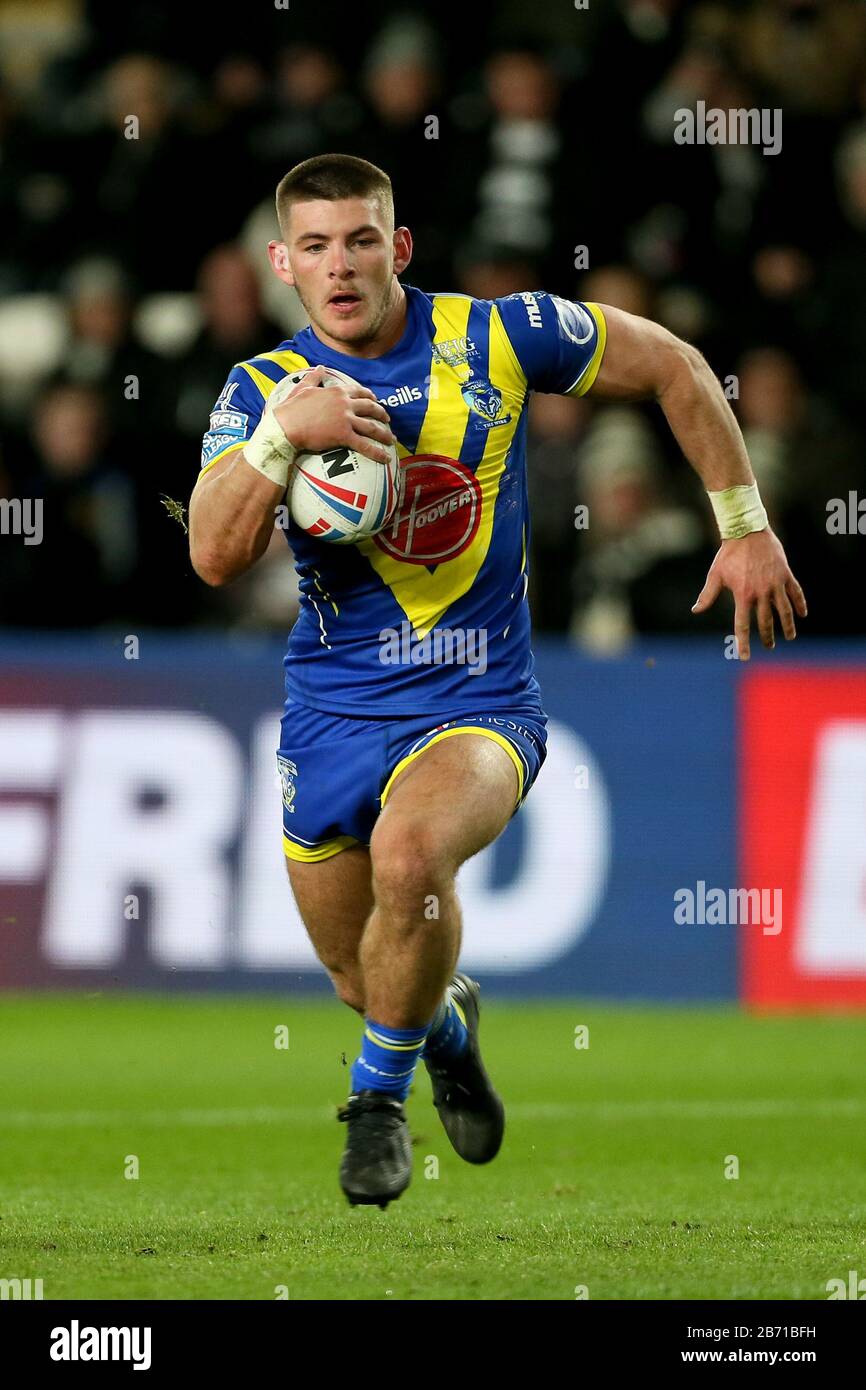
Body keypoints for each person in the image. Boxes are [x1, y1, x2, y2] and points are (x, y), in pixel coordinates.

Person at [188, 153, 806, 1209]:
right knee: (360, 975)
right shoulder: (258, 391)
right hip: (329, 713)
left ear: (401, 245)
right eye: (319, 247)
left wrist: (742, 526)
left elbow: (675, 365)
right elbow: (210, 553)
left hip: (477, 704)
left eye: (363, 239)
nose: (343, 266)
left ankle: (374, 1109)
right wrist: (282, 442)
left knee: (412, 851)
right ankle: (447, 1027)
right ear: (282, 263)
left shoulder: (499, 336)